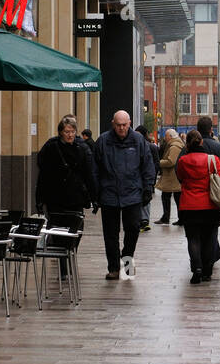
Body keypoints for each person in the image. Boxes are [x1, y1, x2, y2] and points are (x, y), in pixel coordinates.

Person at [92, 110, 155, 279]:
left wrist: (148, 188)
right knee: (110, 234)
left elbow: (147, 165)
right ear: (113, 124)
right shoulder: (103, 141)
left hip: (132, 193)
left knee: (133, 229)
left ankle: (127, 260)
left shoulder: (138, 140)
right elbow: (95, 168)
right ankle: (113, 268)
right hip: (109, 194)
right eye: (118, 125)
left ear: (129, 123)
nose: (121, 128)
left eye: (124, 125)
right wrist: (95, 192)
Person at [34, 114, 97, 279]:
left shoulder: (82, 148)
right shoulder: (51, 147)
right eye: (67, 131)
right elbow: (43, 174)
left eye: (72, 131)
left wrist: (94, 196)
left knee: (77, 229)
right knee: (58, 231)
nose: (70, 135)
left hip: (76, 196)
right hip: (55, 197)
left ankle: (71, 252)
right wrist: (39, 199)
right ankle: (63, 266)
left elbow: (89, 173)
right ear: (60, 132)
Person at [175, 130, 220, 283]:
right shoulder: (212, 160)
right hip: (210, 206)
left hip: (189, 205)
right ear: (202, 142)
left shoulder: (183, 161)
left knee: (193, 238)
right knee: (210, 238)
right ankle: (207, 270)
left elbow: (180, 177)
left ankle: (197, 268)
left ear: (187, 144)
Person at [155, 128, 183, 224]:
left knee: (167, 196)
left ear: (170, 137)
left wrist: (159, 163)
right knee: (175, 197)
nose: (165, 138)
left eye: (166, 136)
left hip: (172, 176)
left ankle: (167, 218)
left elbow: (171, 161)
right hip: (173, 176)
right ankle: (178, 218)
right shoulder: (175, 144)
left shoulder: (174, 146)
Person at [134, 125, 159, 232]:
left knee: (145, 197)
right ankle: (142, 219)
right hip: (140, 177)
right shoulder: (135, 145)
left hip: (145, 176)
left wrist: (152, 177)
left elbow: (156, 163)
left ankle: (144, 219)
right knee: (143, 197)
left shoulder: (150, 146)